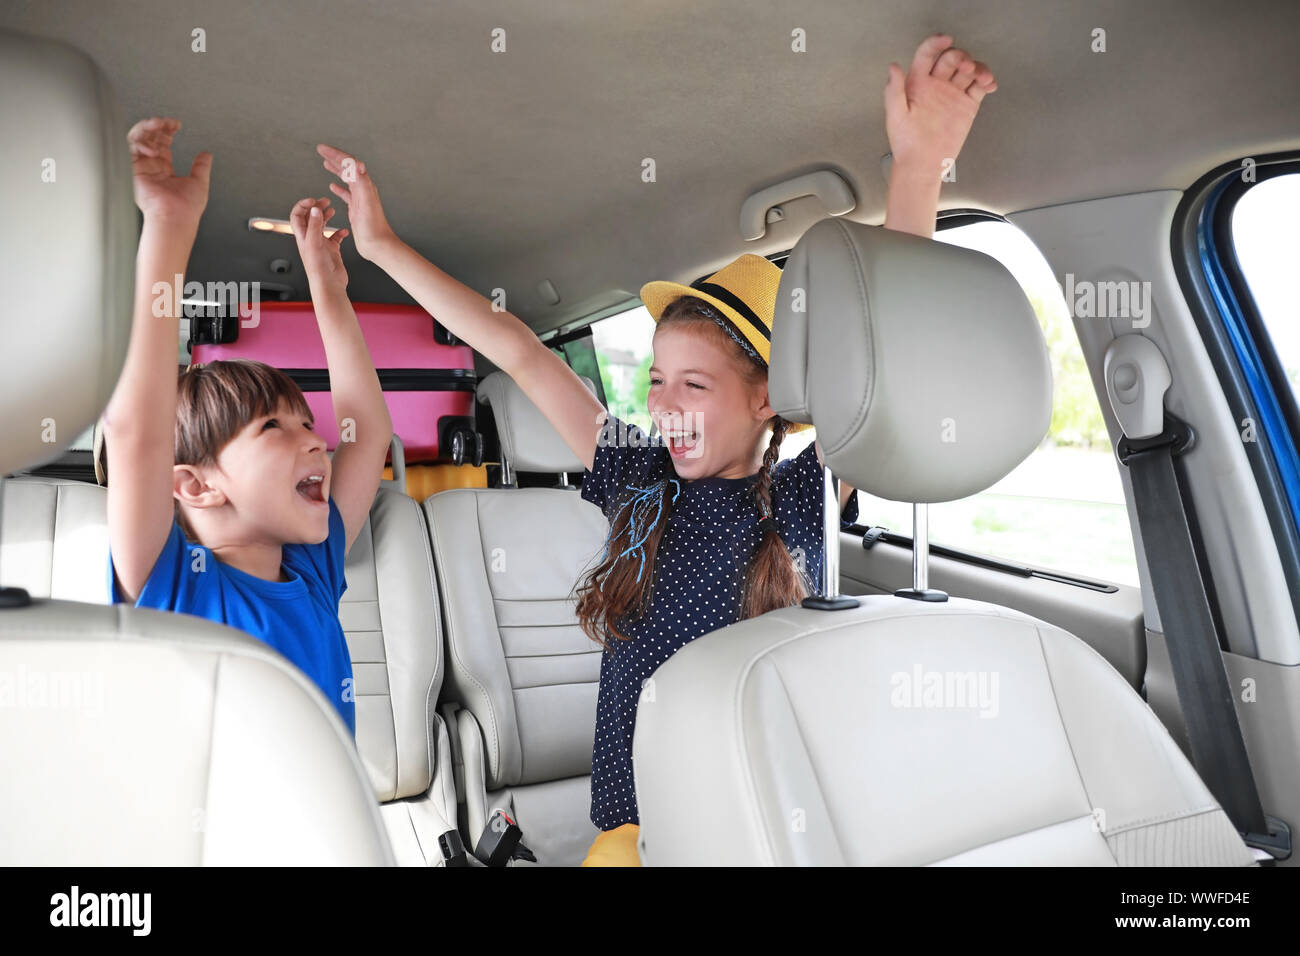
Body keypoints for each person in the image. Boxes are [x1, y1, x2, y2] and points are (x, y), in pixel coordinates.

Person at [313, 34, 996, 857]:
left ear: (768, 400)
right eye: (657, 378)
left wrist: (917, 170)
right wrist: (381, 246)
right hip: (632, 829)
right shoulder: (637, 475)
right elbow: (517, 348)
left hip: (751, 820)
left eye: (694, 386)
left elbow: (881, 372)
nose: (660, 405)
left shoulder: (808, 495)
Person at [103, 117, 393, 738]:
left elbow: (365, 432)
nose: (316, 440)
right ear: (196, 484)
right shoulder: (173, 586)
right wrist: (168, 228)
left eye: (306, 423)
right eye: (272, 428)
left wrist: (327, 287)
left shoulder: (311, 569)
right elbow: (137, 436)